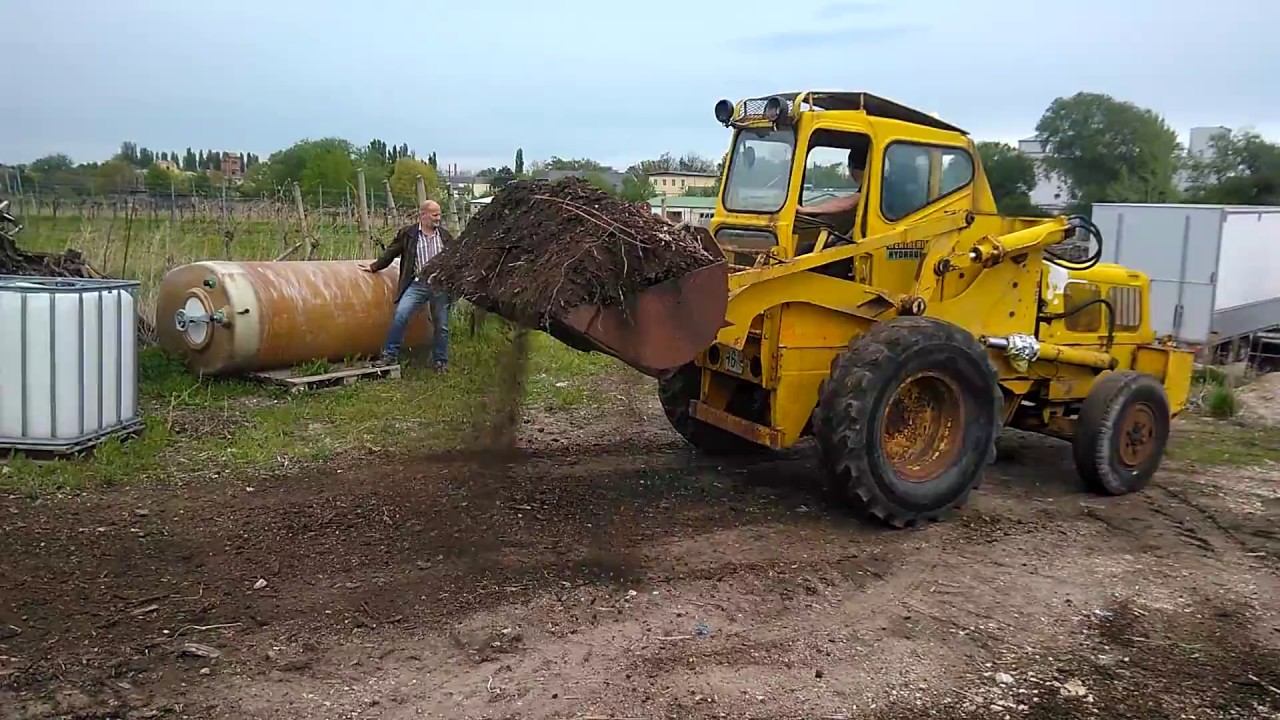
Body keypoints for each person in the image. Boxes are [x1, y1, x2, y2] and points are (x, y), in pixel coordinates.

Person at [363, 200, 454, 372]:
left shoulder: (445, 236)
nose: (438, 218)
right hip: (418, 284)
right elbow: (391, 252)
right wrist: (374, 267)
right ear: (423, 215)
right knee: (400, 315)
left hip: (439, 285)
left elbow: (454, 260)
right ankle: (390, 355)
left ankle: (440, 361)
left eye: (439, 214)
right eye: (435, 215)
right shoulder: (409, 234)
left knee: (441, 325)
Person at [797, 146, 867, 217]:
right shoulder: (868, 187)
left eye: (850, 167)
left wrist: (806, 210)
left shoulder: (871, 188)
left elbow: (847, 204)